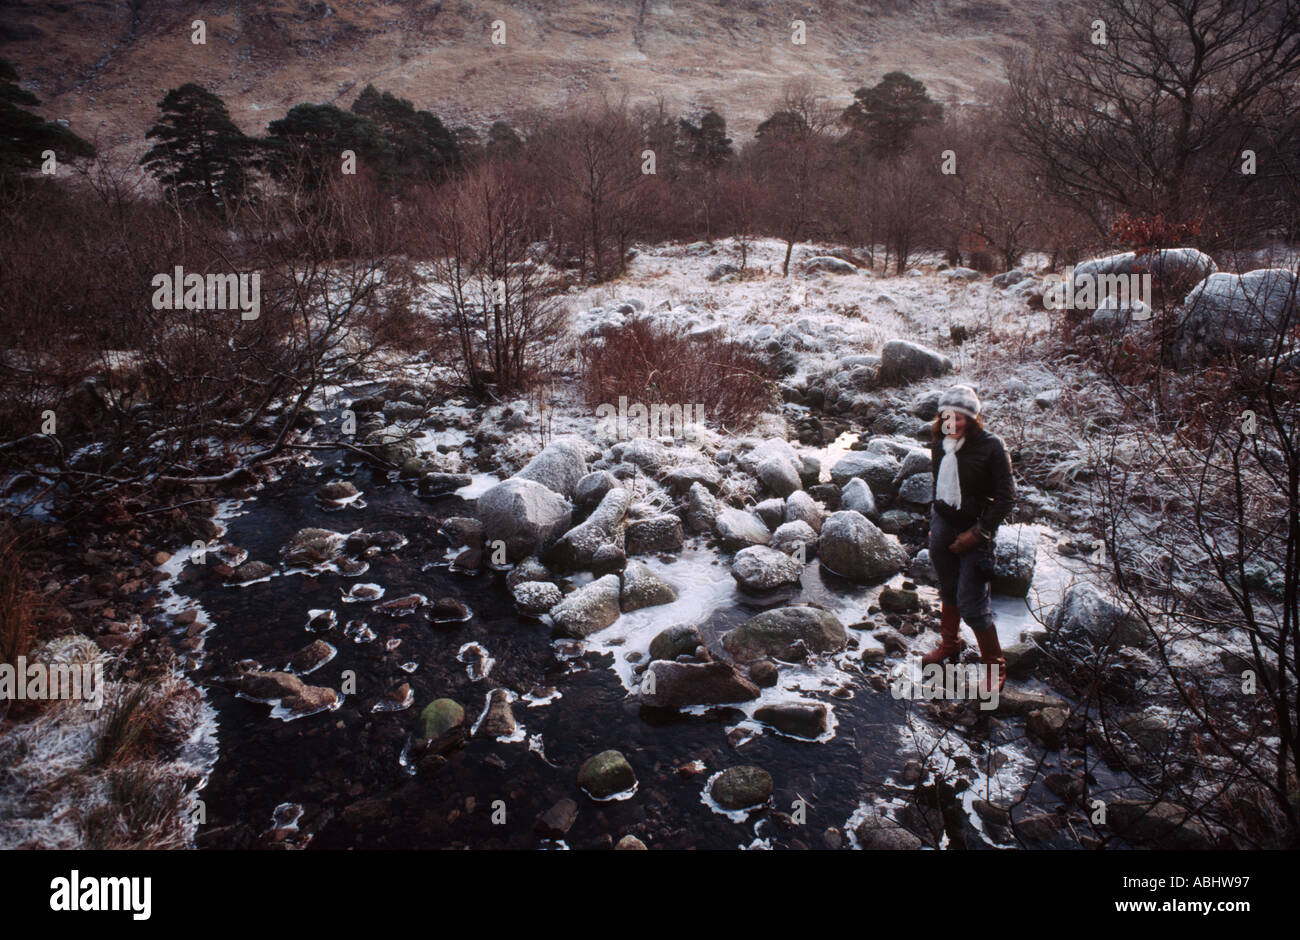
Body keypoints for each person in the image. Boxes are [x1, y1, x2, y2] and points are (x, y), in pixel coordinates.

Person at [921, 384, 1016, 691]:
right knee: (948, 589)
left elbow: (1006, 498)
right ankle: (950, 645)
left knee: (972, 603)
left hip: (977, 529)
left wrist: (978, 534)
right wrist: (936, 523)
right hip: (944, 523)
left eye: (959, 417)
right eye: (946, 416)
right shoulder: (939, 442)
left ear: (973, 418)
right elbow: (939, 485)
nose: (952, 422)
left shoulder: (992, 446)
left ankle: (995, 666)